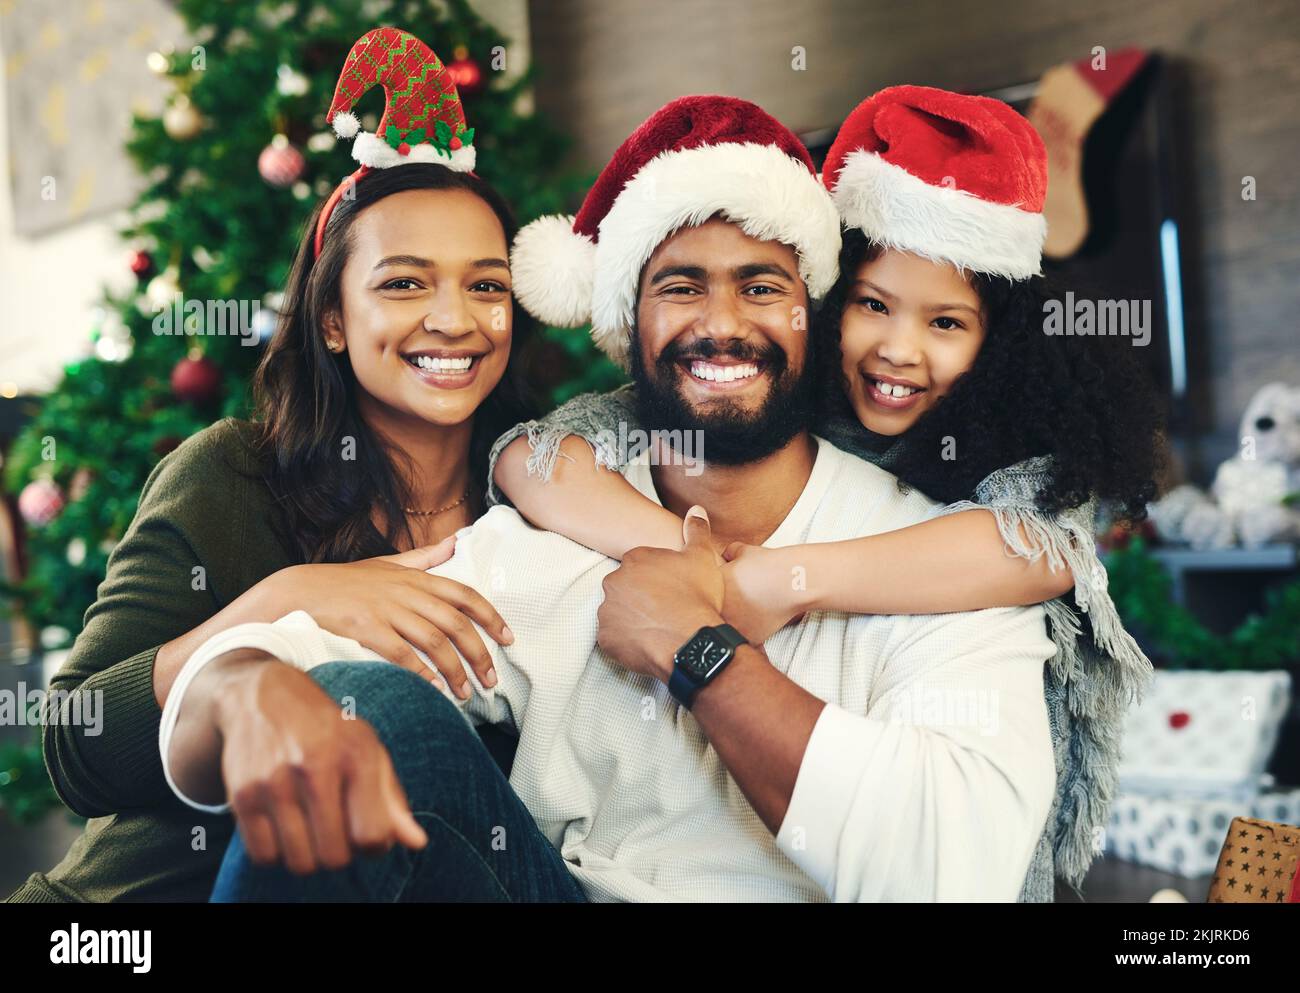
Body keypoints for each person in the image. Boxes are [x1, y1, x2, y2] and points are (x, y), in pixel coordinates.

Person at [161, 95, 1058, 902]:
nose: (722, 323)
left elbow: (952, 869)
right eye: (680, 286)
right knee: (374, 709)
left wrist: (697, 648)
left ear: (811, 318)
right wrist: (250, 690)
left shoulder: (938, 563)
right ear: (628, 324)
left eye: (761, 286)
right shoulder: (561, 526)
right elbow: (296, 653)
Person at [493, 86, 1164, 897]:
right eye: (873, 305)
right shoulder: (774, 392)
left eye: (946, 323)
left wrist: (779, 578)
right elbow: (534, 457)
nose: (898, 351)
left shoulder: (1018, 450)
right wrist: (692, 556)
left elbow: (1039, 552)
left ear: (1000, 346)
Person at [7, 29, 527, 903]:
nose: (454, 319)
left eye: (486, 284)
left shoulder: (539, 503)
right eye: (403, 283)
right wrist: (284, 600)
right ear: (332, 321)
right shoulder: (233, 474)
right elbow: (74, 741)